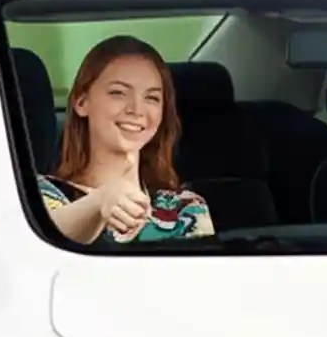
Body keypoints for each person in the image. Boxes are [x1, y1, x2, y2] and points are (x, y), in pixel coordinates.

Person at [37, 35, 214, 244]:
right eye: (118, 93)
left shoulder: (186, 210)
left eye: (152, 98)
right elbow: (40, 239)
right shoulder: (39, 195)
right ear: (82, 102)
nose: (137, 110)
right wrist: (100, 201)